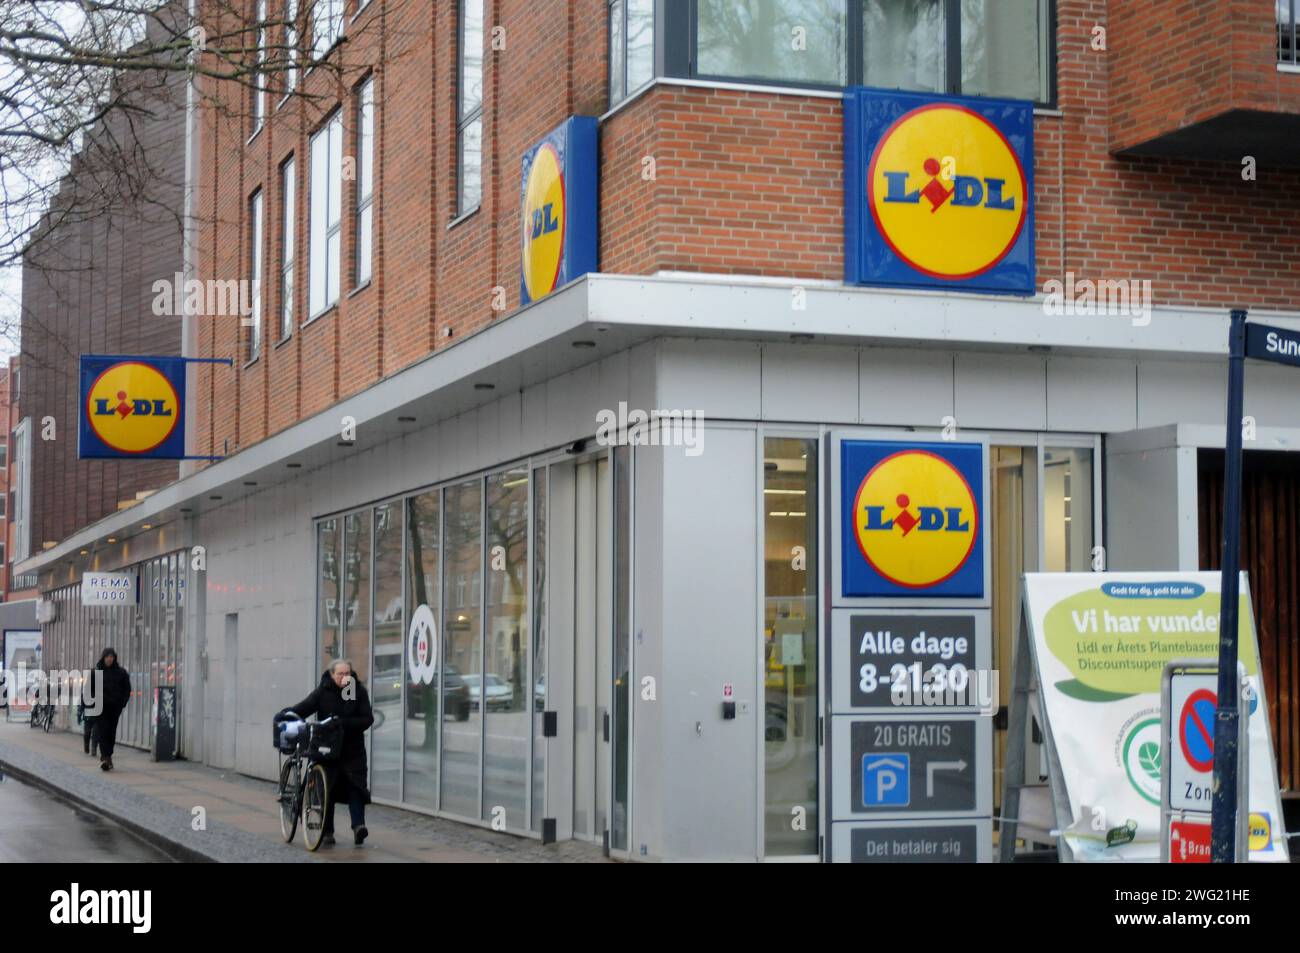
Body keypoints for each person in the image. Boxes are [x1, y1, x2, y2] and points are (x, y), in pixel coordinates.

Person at [288, 659, 374, 846]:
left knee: (356, 787)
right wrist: (287, 716)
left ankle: (359, 826)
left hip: (352, 750)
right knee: (328, 788)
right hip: (327, 749)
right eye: (340, 674)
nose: (344, 677)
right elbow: (304, 707)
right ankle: (327, 831)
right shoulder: (323, 691)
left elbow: (367, 718)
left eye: (347, 674)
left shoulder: (356, 691)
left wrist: (343, 722)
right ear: (332, 674)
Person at [94, 647, 131, 771]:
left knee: (111, 732)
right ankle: (106, 757)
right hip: (100, 708)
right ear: (103, 658)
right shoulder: (97, 672)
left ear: (114, 658)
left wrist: (122, 703)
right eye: (107, 656)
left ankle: (108, 755)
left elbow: (127, 689)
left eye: (111, 656)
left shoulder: (121, 673)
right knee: (102, 732)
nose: (109, 659)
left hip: (114, 708)